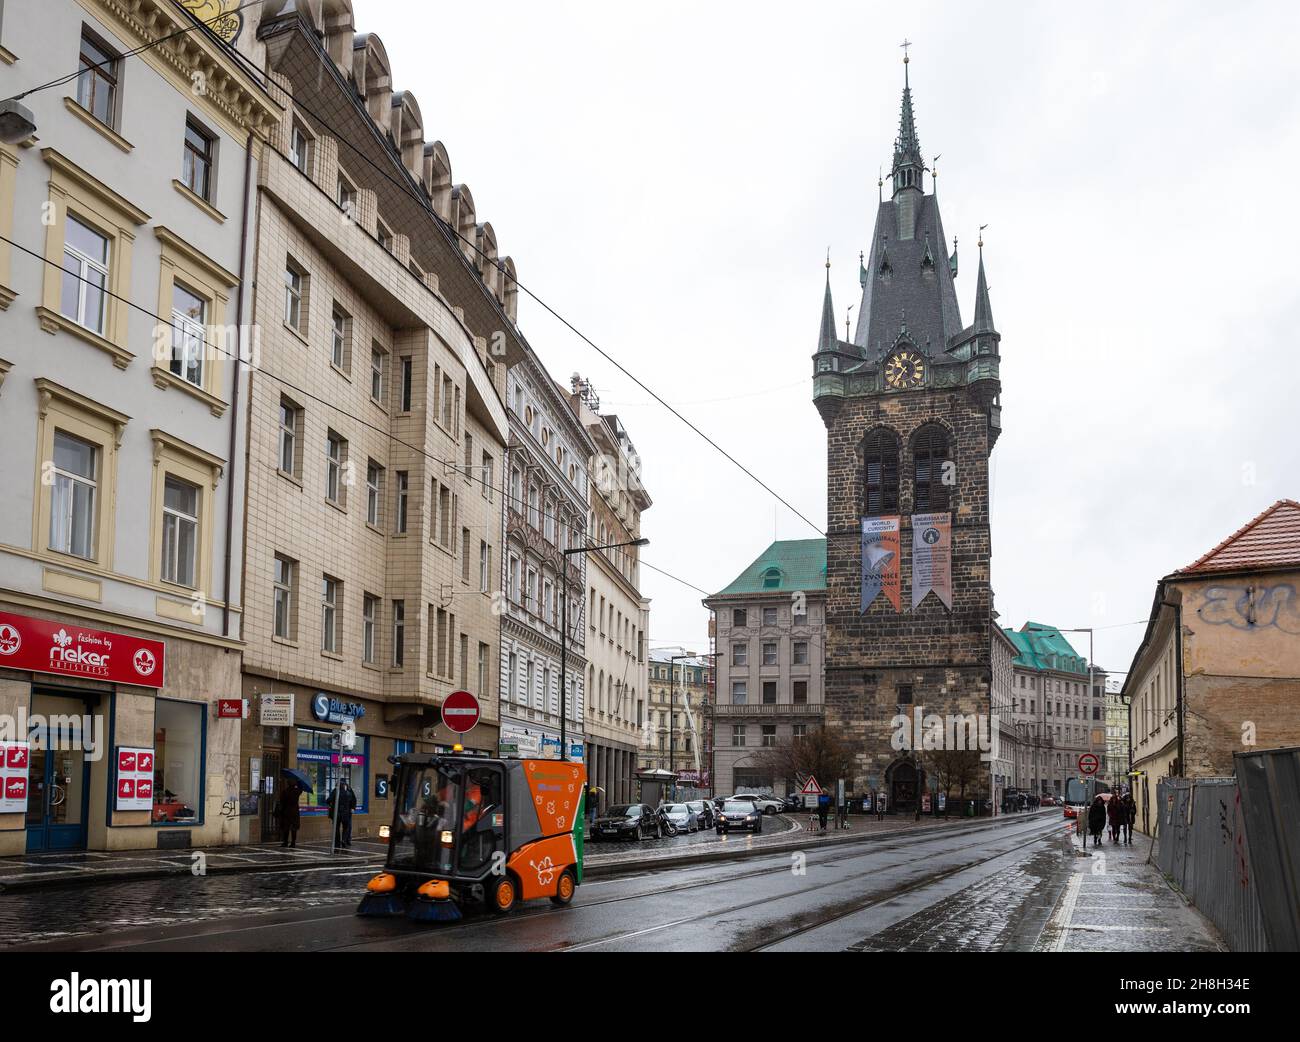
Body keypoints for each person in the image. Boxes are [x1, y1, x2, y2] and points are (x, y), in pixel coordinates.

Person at [327, 777, 358, 848]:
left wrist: (331, 804)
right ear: (344, 785)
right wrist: (352, 808)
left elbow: (328, 800)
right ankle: (344, 840)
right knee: (346, 827)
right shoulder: (348, 792)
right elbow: (353, 800)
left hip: (336, 813)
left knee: (336, 828)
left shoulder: (335, 791)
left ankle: (337, 843)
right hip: (346, 813)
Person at [276, 777, 302, 848]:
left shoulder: (285, 791)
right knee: (294, 828)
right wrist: (298, 781)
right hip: (295, 812)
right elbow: (301, 788)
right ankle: (293, 842)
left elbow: (282, 801)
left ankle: (285, 842)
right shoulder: (297, 791)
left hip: (286, 811)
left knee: (286, 827)